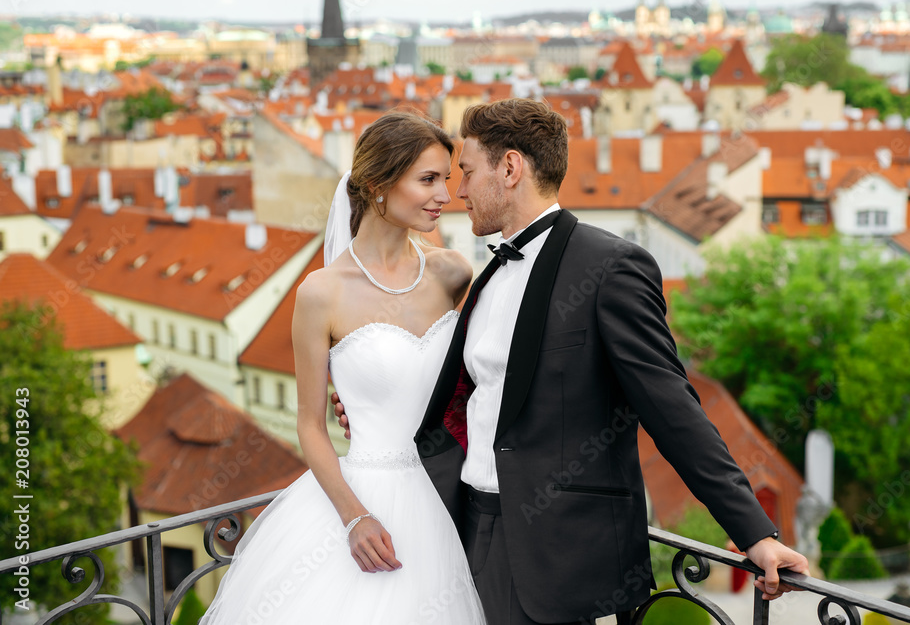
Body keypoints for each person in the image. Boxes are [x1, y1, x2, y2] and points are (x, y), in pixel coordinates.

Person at [335, 98, 809, 625]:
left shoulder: (610, 268)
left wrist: (756, 534)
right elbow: (470, 390)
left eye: (466, 172)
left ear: (510, 168)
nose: (457, 192)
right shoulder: (484, 273)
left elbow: (673, 411)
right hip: (462, 526)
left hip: (553, 548)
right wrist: (367, 397)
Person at [198, 111, 486, 624]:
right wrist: (355, 517)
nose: (446, 194)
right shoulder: (320, 294)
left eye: (448, 178)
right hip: (362, 499)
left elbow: (477, 376)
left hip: (448, 493)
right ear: (377, 186)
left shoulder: (454, 273)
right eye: (428, 180)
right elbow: (309, 425)